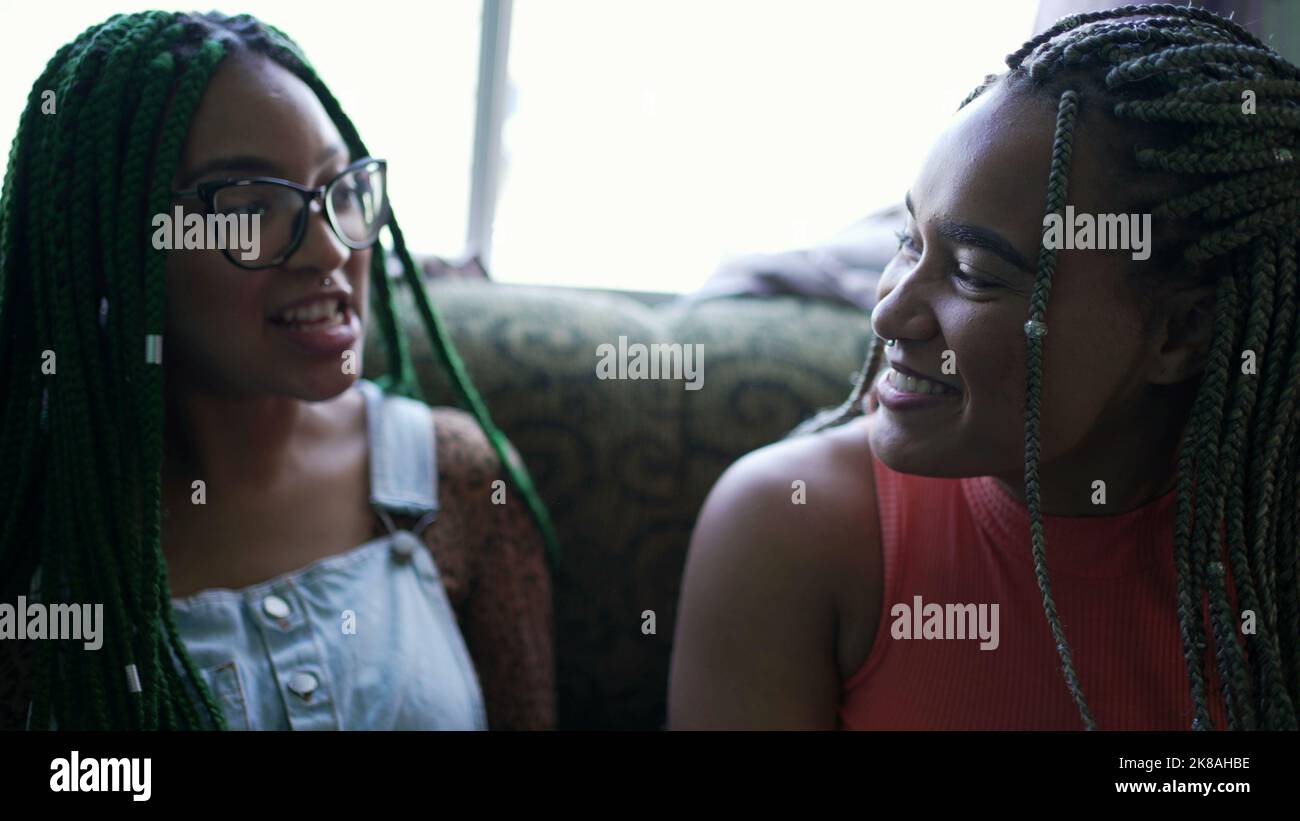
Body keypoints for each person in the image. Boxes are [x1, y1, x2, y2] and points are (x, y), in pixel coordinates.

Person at [669, 4, 1299, 730]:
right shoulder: (790, 528)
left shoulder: (1268, 566)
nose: (889, 314)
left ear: (1179, 333)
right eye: (909, 242)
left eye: (972, 273)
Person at [0, 11, 558, 730]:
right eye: (252, 206)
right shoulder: (36, 530)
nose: (328, 249)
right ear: (115, 247)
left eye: (340, 187)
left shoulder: (458, 478)